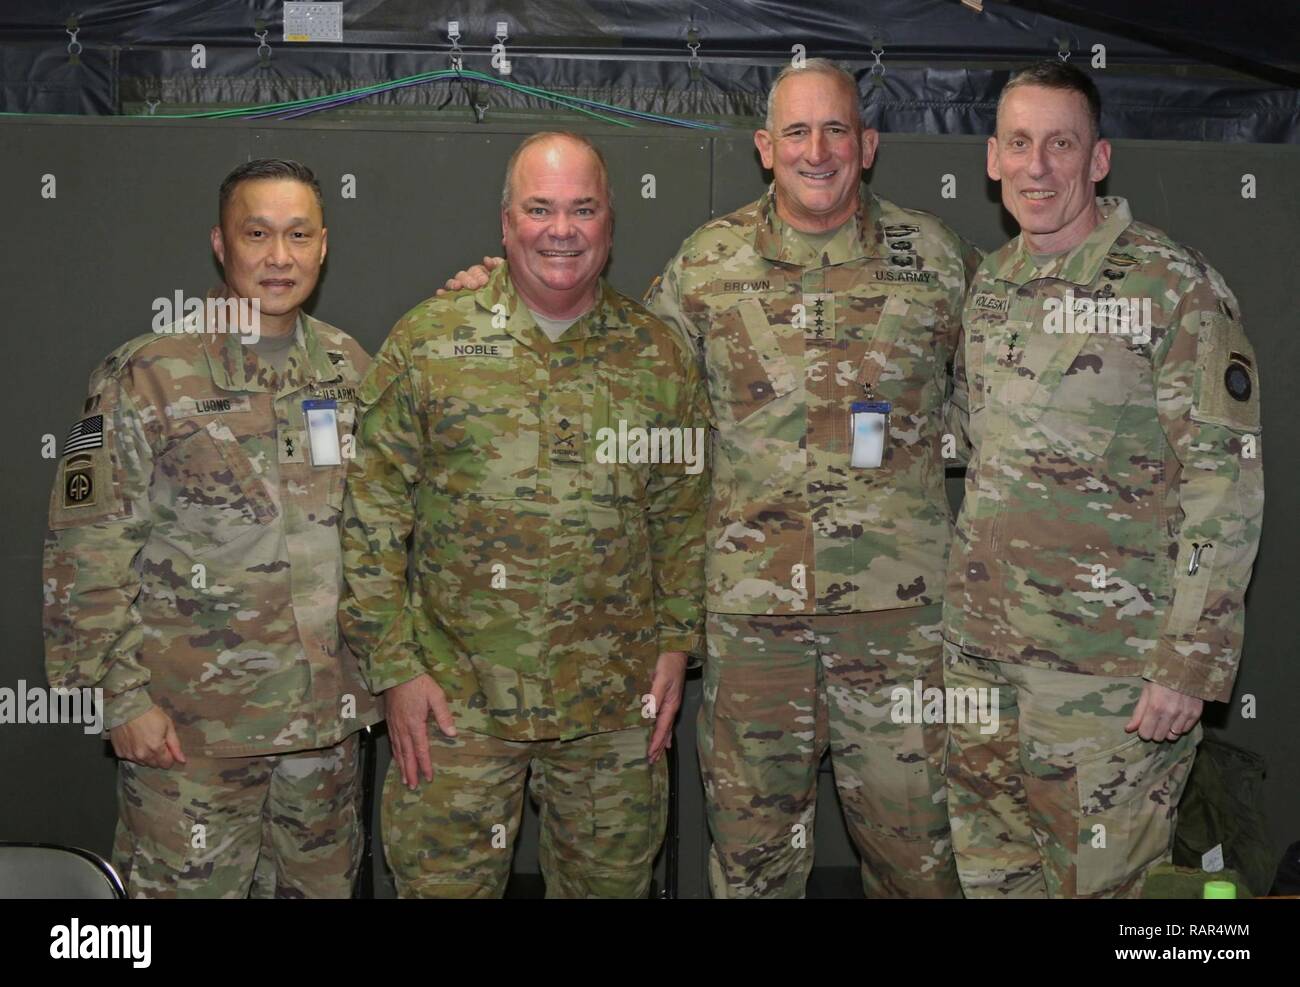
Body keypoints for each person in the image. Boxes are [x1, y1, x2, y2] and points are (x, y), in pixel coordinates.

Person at [445, 60, 980, 899]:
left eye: (836, 129)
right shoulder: (707, 265)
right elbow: (618, 359)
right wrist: (501, 291)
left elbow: (998, 397)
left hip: (900, 628)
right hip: (752, 625)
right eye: (797, 131)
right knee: (751, 865)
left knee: (922, 865)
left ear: (868, 144)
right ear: (765, 147)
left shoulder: (940, 260)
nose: (817, 150)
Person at [339, 132, 708, 898]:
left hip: (611, 711)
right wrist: (394, 669)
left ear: (610, 224)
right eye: (540, 209)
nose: (561, 229)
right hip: (455, 708)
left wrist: (677, 642)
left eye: (582, 209)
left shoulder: (658, 357)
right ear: (506, 223)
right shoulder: (430, 343)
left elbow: (682, 515)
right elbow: (371, 518)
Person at [942, 61, 1264, 898]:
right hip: (983, 664)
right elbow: (986, 450)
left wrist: (1186, 667)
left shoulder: (1171, 288)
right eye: (1020, 143)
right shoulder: (989, 287)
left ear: (1099, 159)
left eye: (1061, 144)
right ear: (992, 159)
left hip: (1107, 684)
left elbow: (1225, 488)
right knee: (993, 882)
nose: (1037, 166)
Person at [43, 158, 380, 898]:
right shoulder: (147, 373)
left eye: (298, 235)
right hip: (189, 738)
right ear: (220, 244)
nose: (279, 256)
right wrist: (120, 700)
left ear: (323, 246)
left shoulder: (351, 369)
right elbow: (85, 549)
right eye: (256, 233)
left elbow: (381, 533)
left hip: (324, 732)